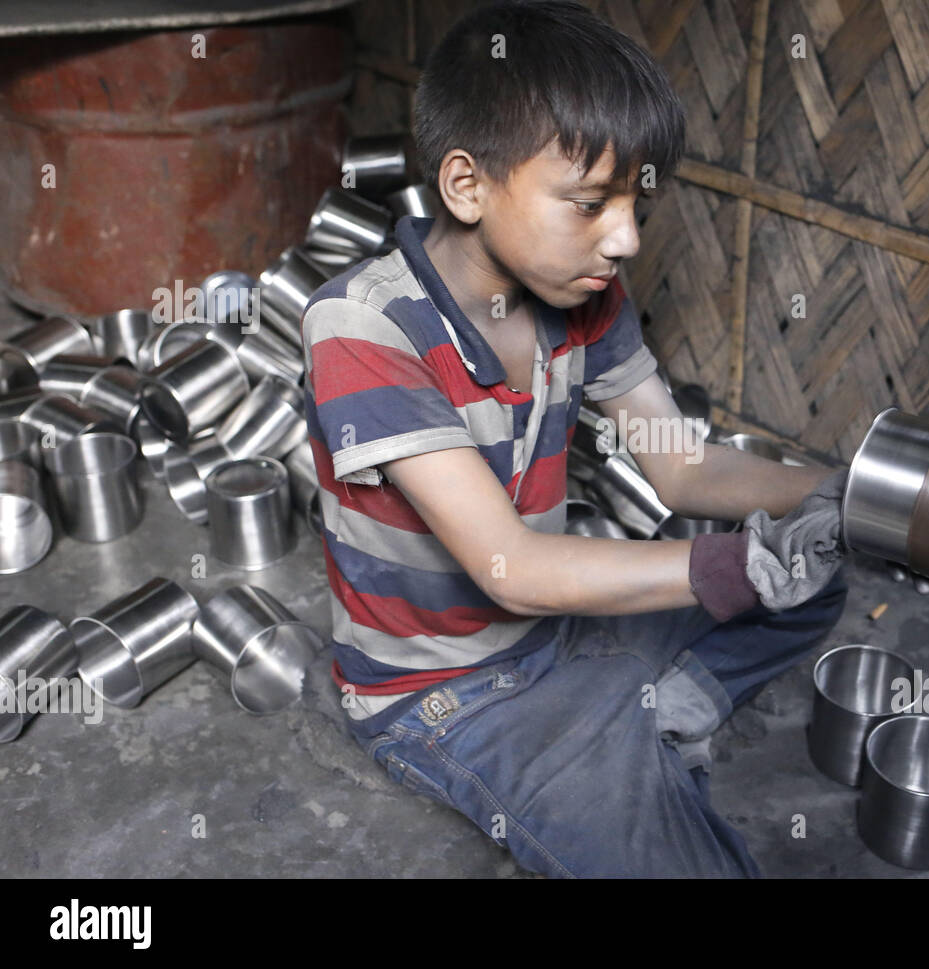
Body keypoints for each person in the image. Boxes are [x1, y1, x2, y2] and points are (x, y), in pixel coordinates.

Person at [301, 0, 848, 877]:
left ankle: (653, 712)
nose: (625, 237)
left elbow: (685, 467)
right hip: (447, 696)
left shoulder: (582, 297)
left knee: (815, 571)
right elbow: (508, 567)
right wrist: (724, 567)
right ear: (467, 186)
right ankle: (622, 735)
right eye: (590, 202)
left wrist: (850, 490)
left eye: (634, 202)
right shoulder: (364, 327)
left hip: (558, 634)